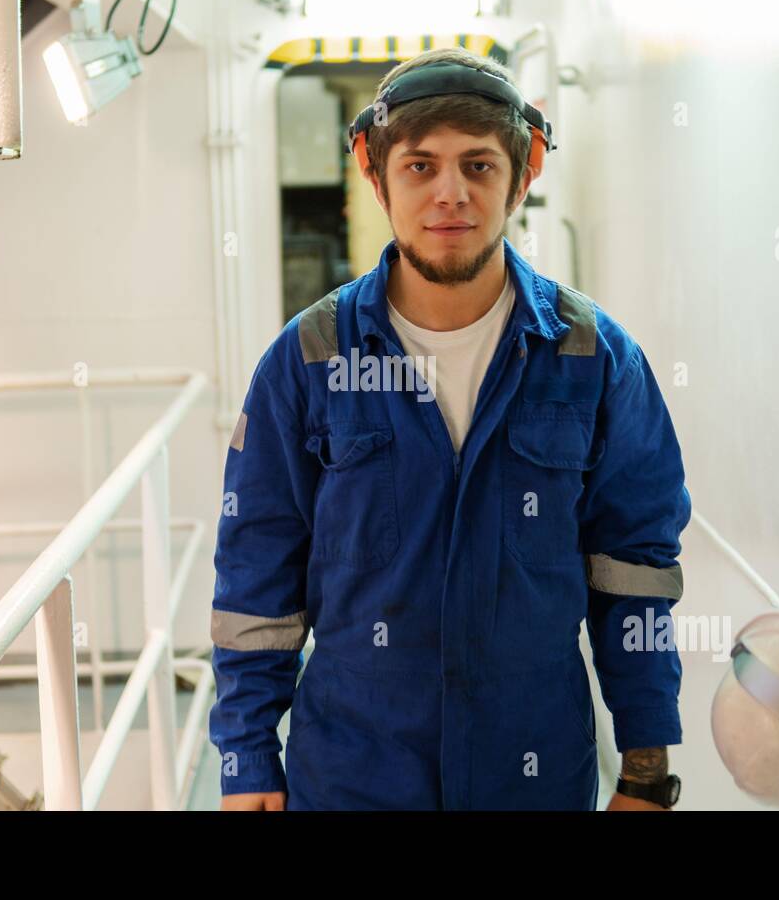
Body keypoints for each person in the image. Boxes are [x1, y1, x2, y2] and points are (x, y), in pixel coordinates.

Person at [208, 47, 691, 811]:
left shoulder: (593, 359)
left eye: (478, 165)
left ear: (523, 174)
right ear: (375, 173)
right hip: (352, 778)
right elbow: (256, 577)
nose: (450, 194)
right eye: (421, 166)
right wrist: (245, 760)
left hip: (532, 775)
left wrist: (644, 768)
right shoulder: (310, 360)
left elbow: (635, 576)